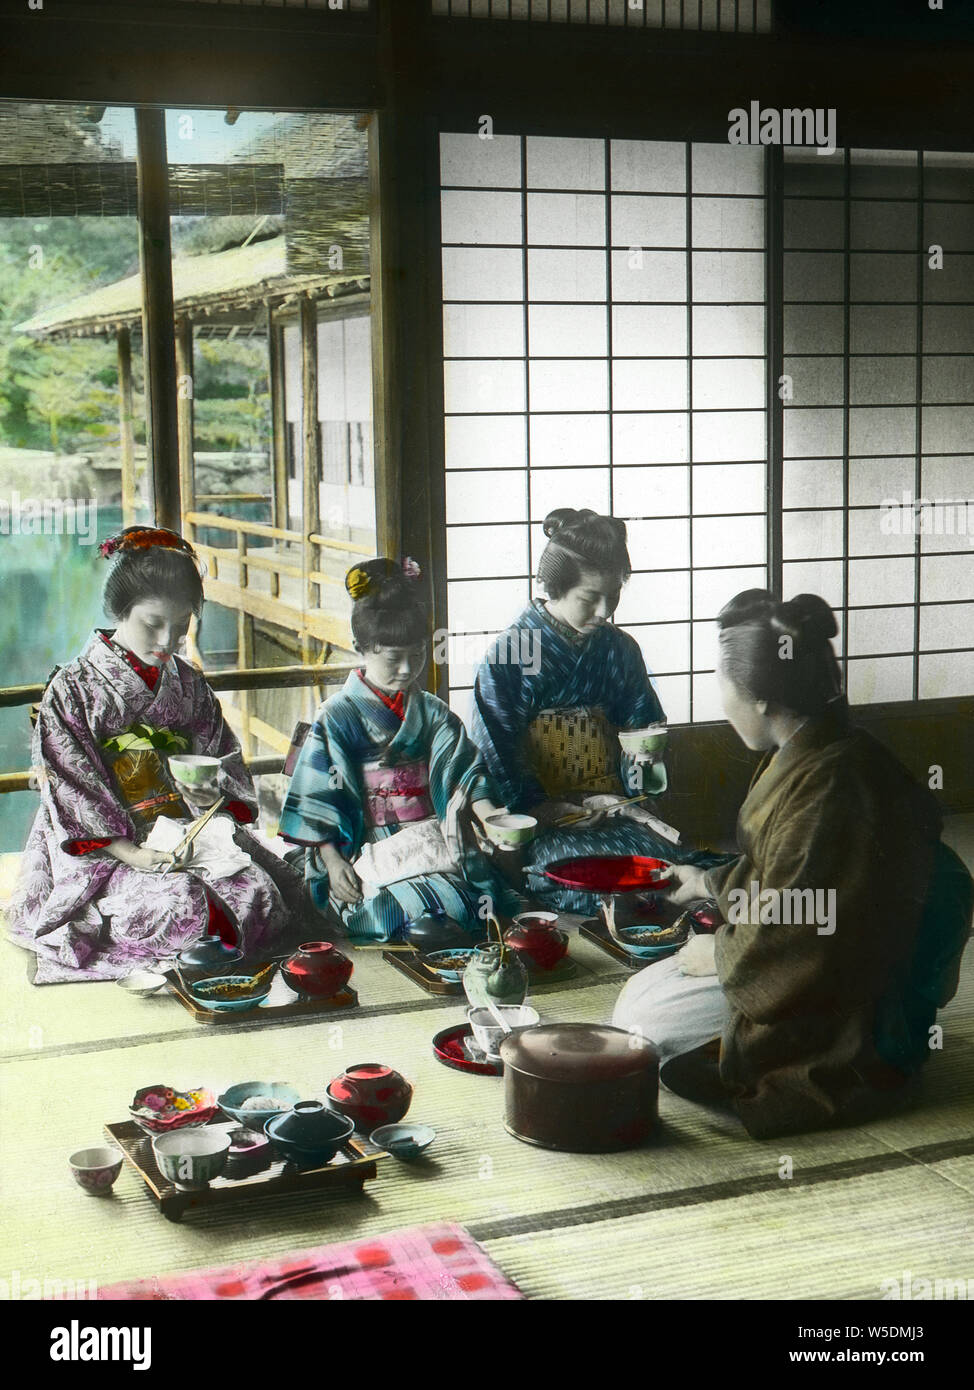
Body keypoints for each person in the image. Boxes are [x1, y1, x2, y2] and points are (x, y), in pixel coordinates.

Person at [612, 589, 974, 1139]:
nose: (723, 702)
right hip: (820, 957)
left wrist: (721, 955)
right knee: (639, 1001)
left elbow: (807, 933)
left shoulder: (832, 786)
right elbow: (781, 875)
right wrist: (707, 881)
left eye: (724, 686)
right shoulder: (819, 748)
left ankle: (813, 1071)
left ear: (760, 699)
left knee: (645, 1022)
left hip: (852, 998)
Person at [6, 526, 300, 983]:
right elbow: (72, 785)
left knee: (256, 894)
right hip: (110, 843)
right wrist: (129, 851)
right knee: (173, 906)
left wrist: (206, 800)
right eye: (152, 624)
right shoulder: (74, 688)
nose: (167, 641)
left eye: (181, 627)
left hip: (188, 826)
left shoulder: (189, 684)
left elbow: (222, 759)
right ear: (121, 610)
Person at [470, 507, 729, 913]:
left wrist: (638, 770)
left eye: (615, 596)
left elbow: (642, 729)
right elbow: (496, 757)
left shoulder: (620, 649)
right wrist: (549, 809)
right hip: (548, 824)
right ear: (555, 587)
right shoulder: (510, 655)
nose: (605, 611)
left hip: (617, 811)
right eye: (589, 599)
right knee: (578, 876)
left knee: (668, 864)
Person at [278, 558, 522, 941]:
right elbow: (318, 797)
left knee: (464, 906)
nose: (408, 669)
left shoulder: (431, 712)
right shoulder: (338, 715)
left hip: (430, 835)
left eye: (418, 654)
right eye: (394, 659)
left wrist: (491, 816)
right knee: (401, 913)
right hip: (363, 840)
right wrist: (332, 859)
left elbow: (465, 772)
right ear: (362, 648)